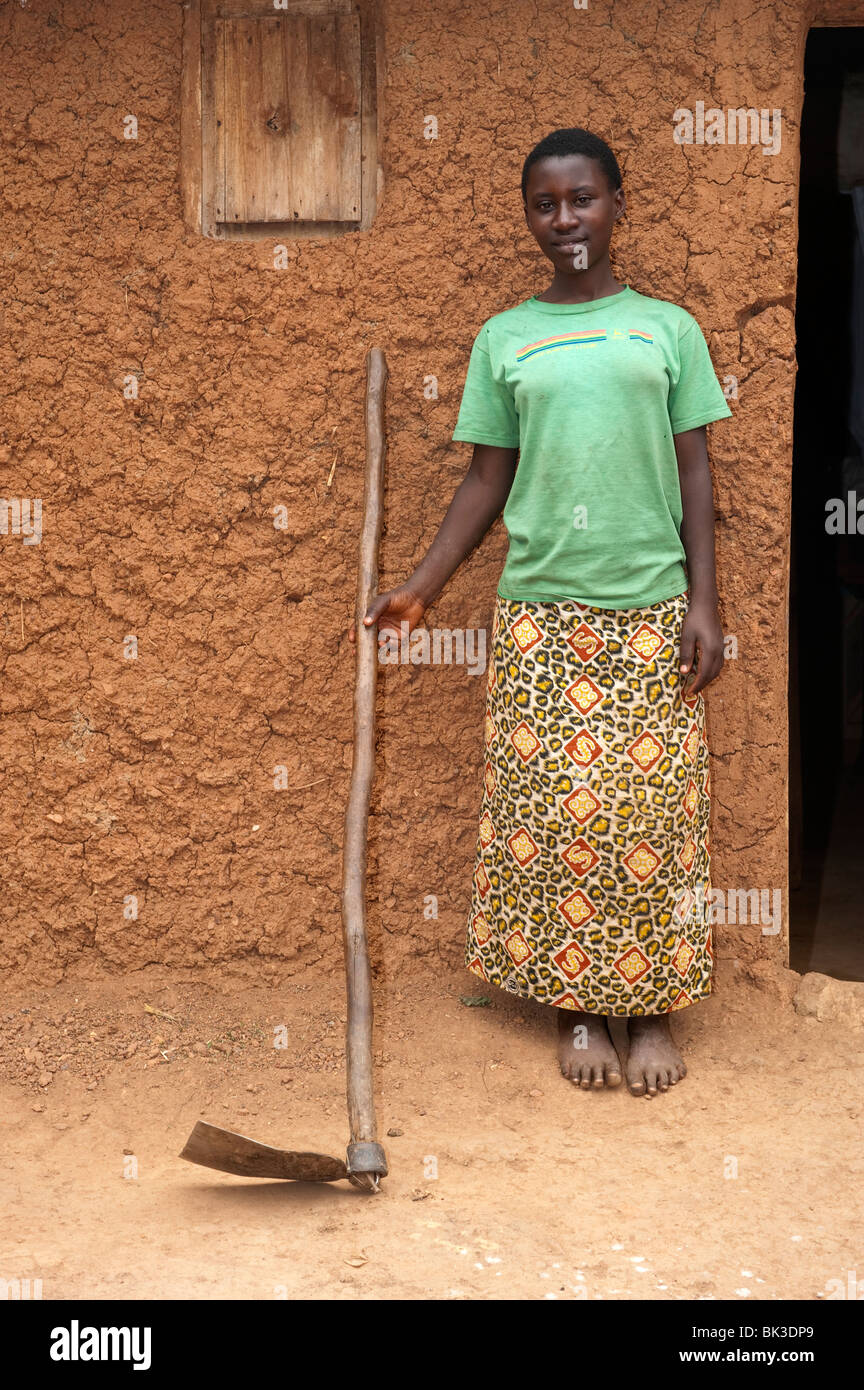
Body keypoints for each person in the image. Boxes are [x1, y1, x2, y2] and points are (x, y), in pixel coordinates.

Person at [349, 127, 732, 1098]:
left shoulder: (668, 329)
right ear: (530, 215)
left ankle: (648, 1012)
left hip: (649, 605)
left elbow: (695, 468)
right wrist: (424, 582)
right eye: (545, 204)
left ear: (617, 203)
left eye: (582, 199)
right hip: (540, 618)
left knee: (647, 813)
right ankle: (577, 1010)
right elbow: (487, 476)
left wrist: (705, 601)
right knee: (558, 817)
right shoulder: (505, 338)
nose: (564, 219)